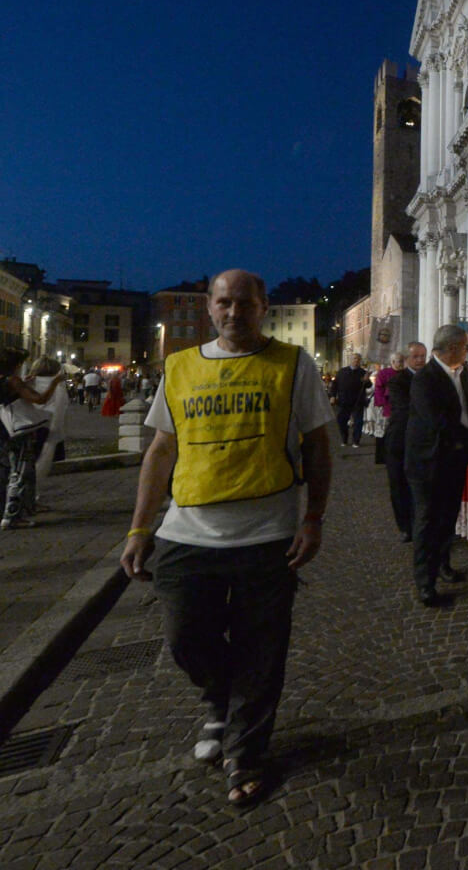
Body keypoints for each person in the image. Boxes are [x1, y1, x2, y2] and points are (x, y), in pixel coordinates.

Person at [120, 269, 334, 808]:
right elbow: (161, 451)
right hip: (187, 532)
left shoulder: (293, 364)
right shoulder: (181, 366)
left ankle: (246, 751)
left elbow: (317, 447)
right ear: (210, 307)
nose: (232, 312)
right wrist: (140, 527)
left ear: (263, 306)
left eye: (244, 303)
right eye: (222, 303)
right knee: (184, 638)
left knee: (262, 651)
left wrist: (314, 518)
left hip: (267, 533)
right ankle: (220, 699)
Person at [405, 324, 468, 607]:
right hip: (428, 460)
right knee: (427, 520)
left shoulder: (465, 371)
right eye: (464, 346)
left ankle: (444, 564)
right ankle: (425, 582)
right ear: (450, 349)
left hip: (455, 457)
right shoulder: (425, 379)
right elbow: (439, 423)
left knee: (448, 516)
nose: (467, 350)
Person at [0, 346, 58, 529]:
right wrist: (55, 382)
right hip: (16, 433)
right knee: (20, 474)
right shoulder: (12, 381)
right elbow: (40, 399)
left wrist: (22, 383)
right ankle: (13, 515)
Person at [376, 341, 429, 541]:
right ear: (407, 359)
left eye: (423, 356)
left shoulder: (431, 379)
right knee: (398, 484)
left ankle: (420, 524)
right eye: (415, 357)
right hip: (400, 438)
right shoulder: (398, 381)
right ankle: (405, 526)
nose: (420, 360)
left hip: (423, 440)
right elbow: (404, 408)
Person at [30, 357, 71, 482]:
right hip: (50, 427)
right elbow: (63, 405)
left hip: (31, 426)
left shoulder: (29, 382)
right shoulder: (58, 384)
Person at [332, 353, 369, 448]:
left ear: (360, 361)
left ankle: (356, 441)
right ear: (350, 360)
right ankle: (344, 438)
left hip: (358, 402)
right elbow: (335, 385)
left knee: (358, 422)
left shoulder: (363, 372)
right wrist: (332, 396)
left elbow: (369, 385)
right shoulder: (342, 371)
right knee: (341, 421)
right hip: (344, 401)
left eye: (358, 359)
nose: (356, 361)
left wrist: (367, 380)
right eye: (354, 358)